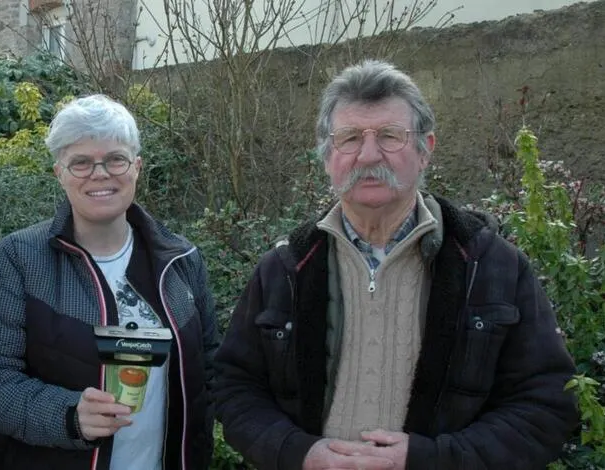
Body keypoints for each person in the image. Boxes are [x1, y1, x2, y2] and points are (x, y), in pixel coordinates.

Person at [213, 59, 579, 470]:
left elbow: (546, 404)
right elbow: (235, 387)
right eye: (350, 137)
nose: (369, 155)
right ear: (327, 155)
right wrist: (301, 454)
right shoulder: (285, 268)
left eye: (390, 136)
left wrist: (429, 459)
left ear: (426, 150)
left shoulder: (491, 267)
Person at [0, 94, 220, 469]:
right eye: (81, 162)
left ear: (137, 167)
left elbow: (211, 370)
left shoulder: (181, 261)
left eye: (116, 159)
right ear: (59, 173)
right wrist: (67, 416)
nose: (100, 174)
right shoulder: (18, 259)